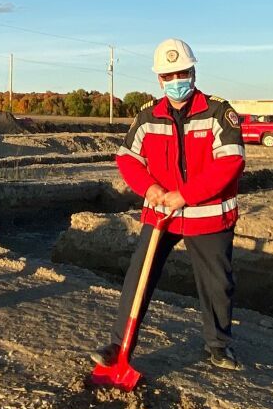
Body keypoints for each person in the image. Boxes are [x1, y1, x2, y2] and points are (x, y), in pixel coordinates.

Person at [91, 38, 246, 370]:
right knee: (138, 278)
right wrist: (149, 188)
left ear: (193, 72)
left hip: (207, 217)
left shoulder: (219, 112)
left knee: (217, 283)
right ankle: (119, 346)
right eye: (168, 76)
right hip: (162, 214)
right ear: (159, 79)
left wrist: (186, 195)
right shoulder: (148, 115)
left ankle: (218, 346)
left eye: (182, 73)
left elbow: (230, 161)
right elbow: (127, 158)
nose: (176, 81)